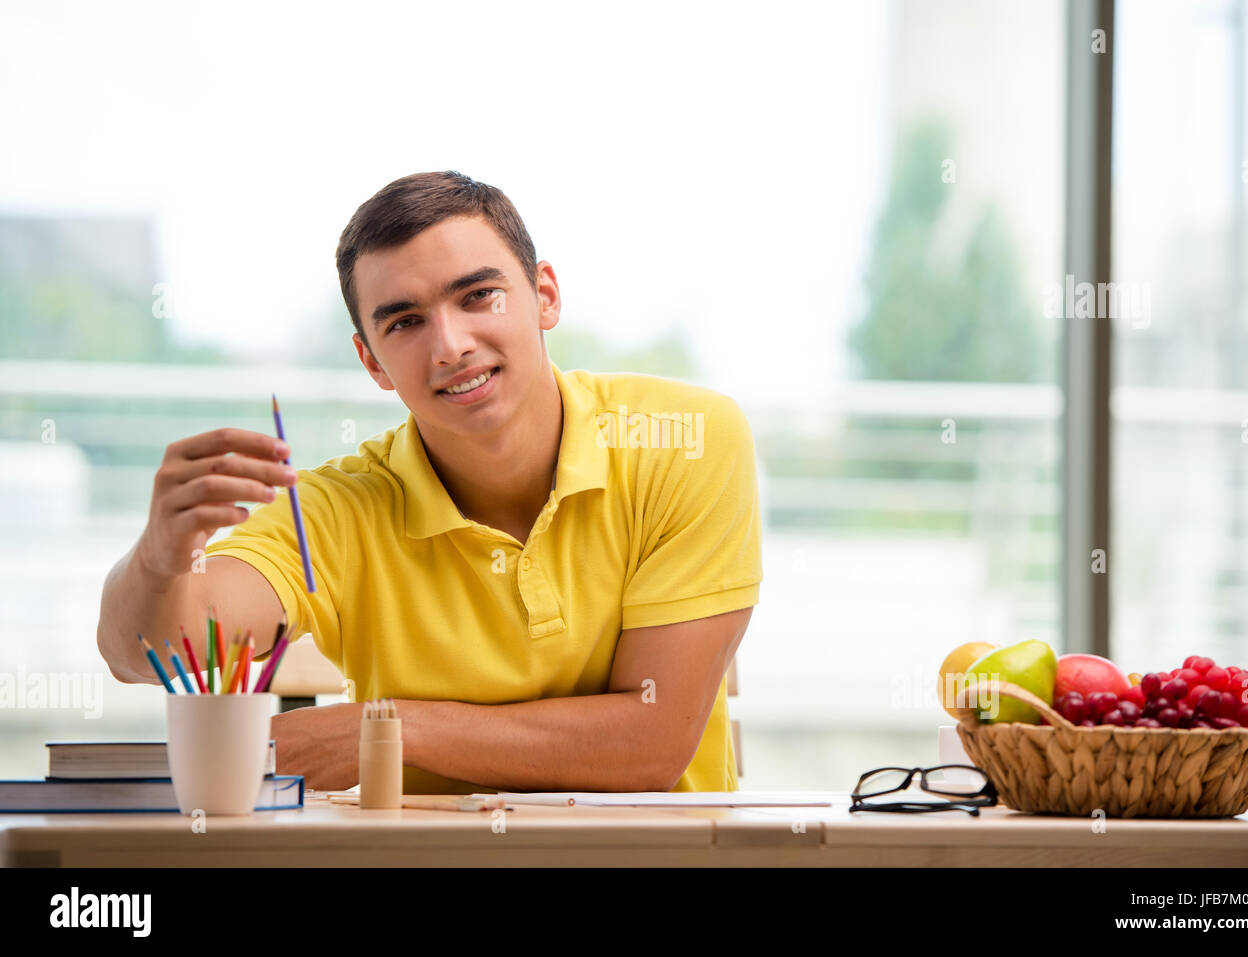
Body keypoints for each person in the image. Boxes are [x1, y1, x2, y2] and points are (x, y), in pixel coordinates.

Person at [96, 171, 762, 793]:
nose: (450, 345)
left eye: (478, 296)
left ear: (546, 296)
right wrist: (160, 554)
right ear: (372, 361)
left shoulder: (687, 438)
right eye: (405, 321)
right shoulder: (335, 509)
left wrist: (382, 728)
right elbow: (150, 654)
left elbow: (648, 744)